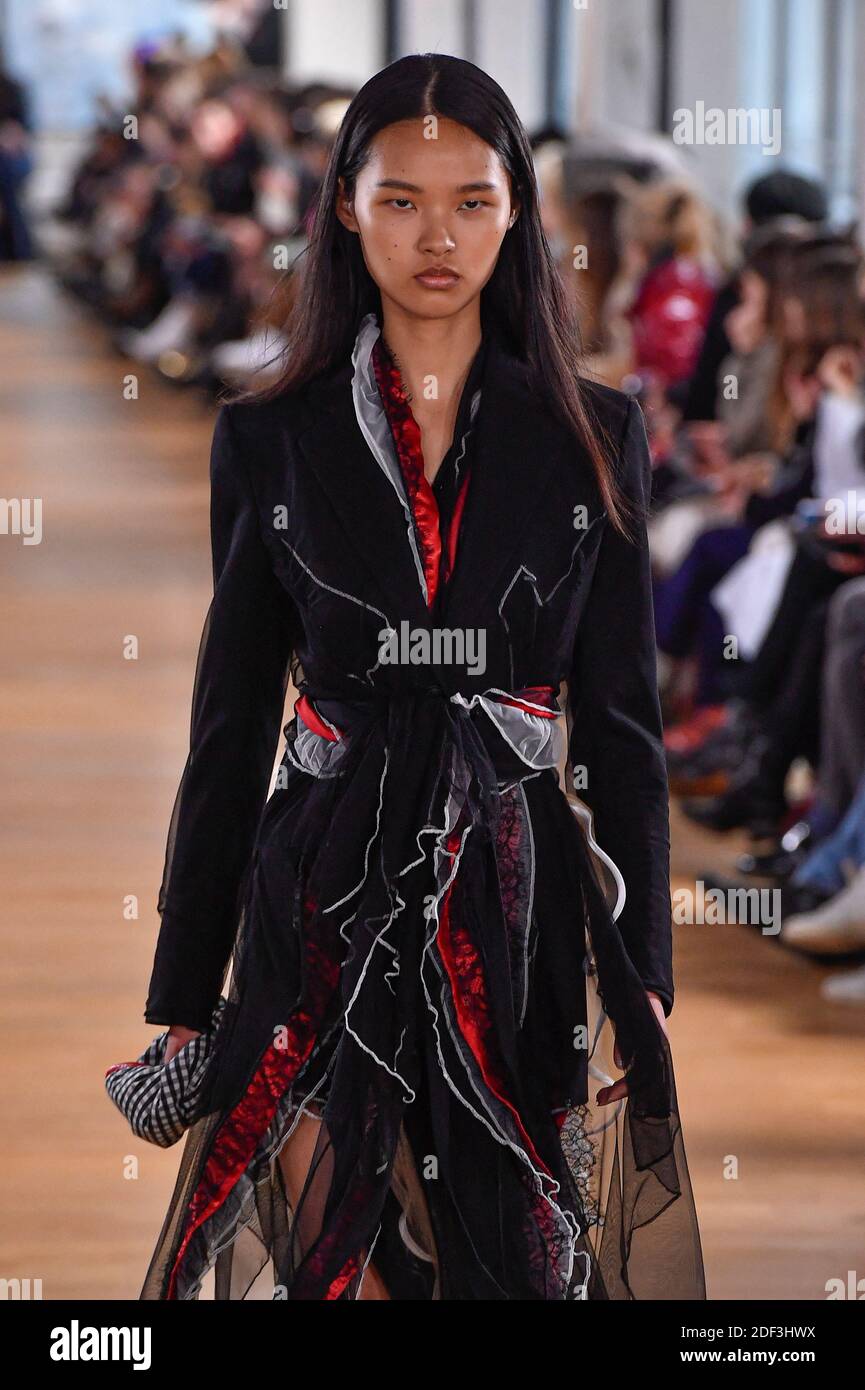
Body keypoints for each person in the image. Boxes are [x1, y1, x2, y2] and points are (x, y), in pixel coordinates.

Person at [138, 53, 705, 1302]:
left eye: (471, 201)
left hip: (521, 900)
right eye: (400, 199)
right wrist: (185, 987)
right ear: (344, 205)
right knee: (331, 1255)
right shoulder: (267, 436)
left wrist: (645, 968)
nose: (435, 235)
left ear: (517, 212)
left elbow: (621, 724)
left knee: (502, 1260)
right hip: (319, 892)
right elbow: (228, 728)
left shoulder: (593, 435)